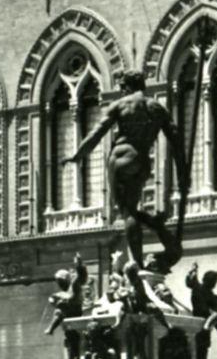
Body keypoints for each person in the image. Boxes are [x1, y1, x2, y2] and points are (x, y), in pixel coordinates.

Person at [70, 70, 186, 269]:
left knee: (127, 212)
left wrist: (78, 155)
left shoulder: (120, 105)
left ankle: (138, 264)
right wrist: (183, 173)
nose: (122, 90)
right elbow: (176, 140)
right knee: (132, 210)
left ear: (128, 86)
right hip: (142, 161)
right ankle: (160, 229)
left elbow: (96, 133)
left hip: (121, 158)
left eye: (123, 86)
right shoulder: (157, 108)